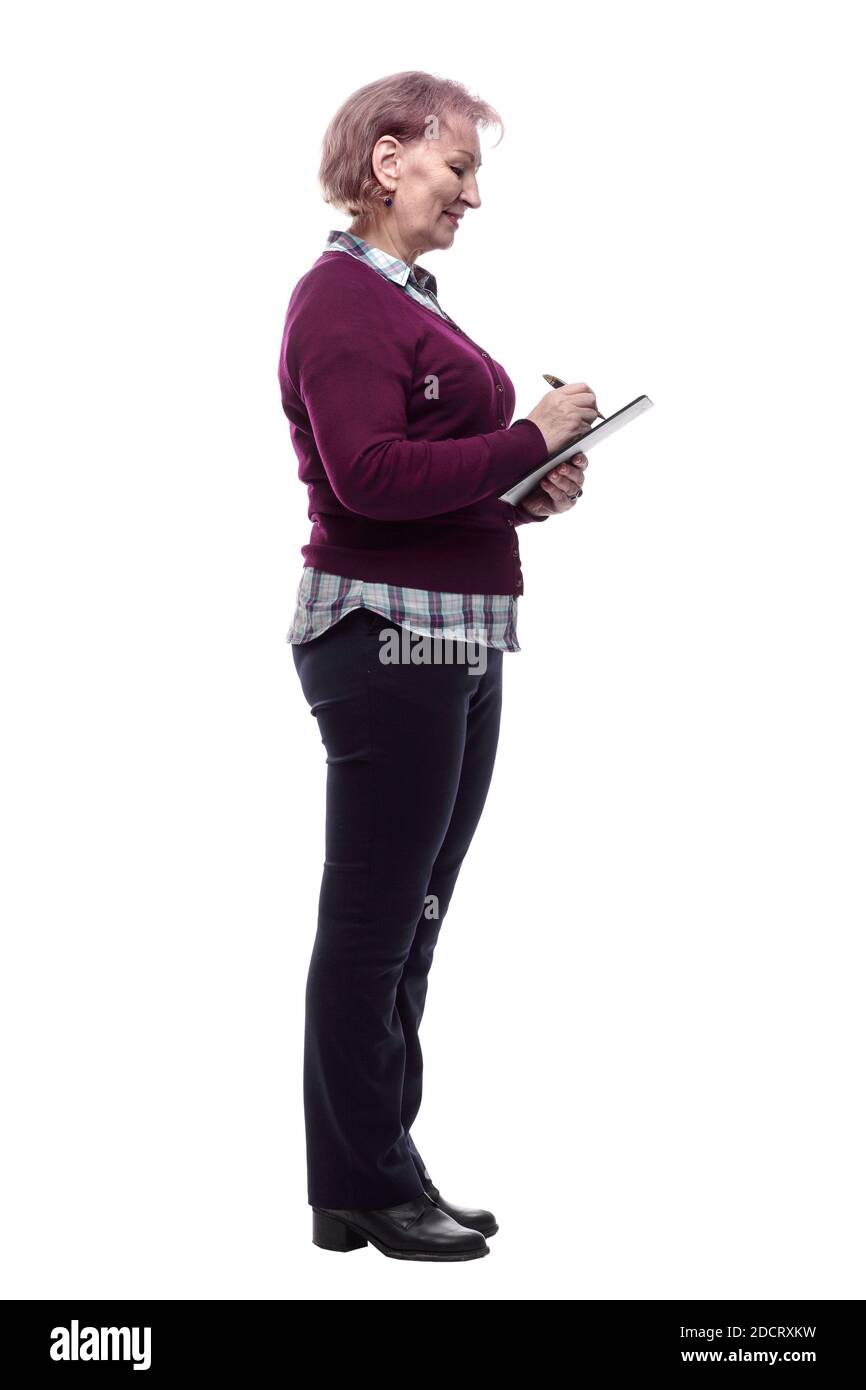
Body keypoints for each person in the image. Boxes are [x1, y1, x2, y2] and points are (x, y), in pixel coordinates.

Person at [277, 70, 599, 1261]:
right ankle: (362, 1180)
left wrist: (521, 494)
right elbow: (364, 478)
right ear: (387, 162)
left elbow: (429, 473)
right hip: (388, 641)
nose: (471, 197)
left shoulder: (406, 303)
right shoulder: (336, 304)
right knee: (373, 923)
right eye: (457, 170)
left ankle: (375, 1170)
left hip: (453, 633)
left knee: (410, 919)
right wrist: (527, 436)